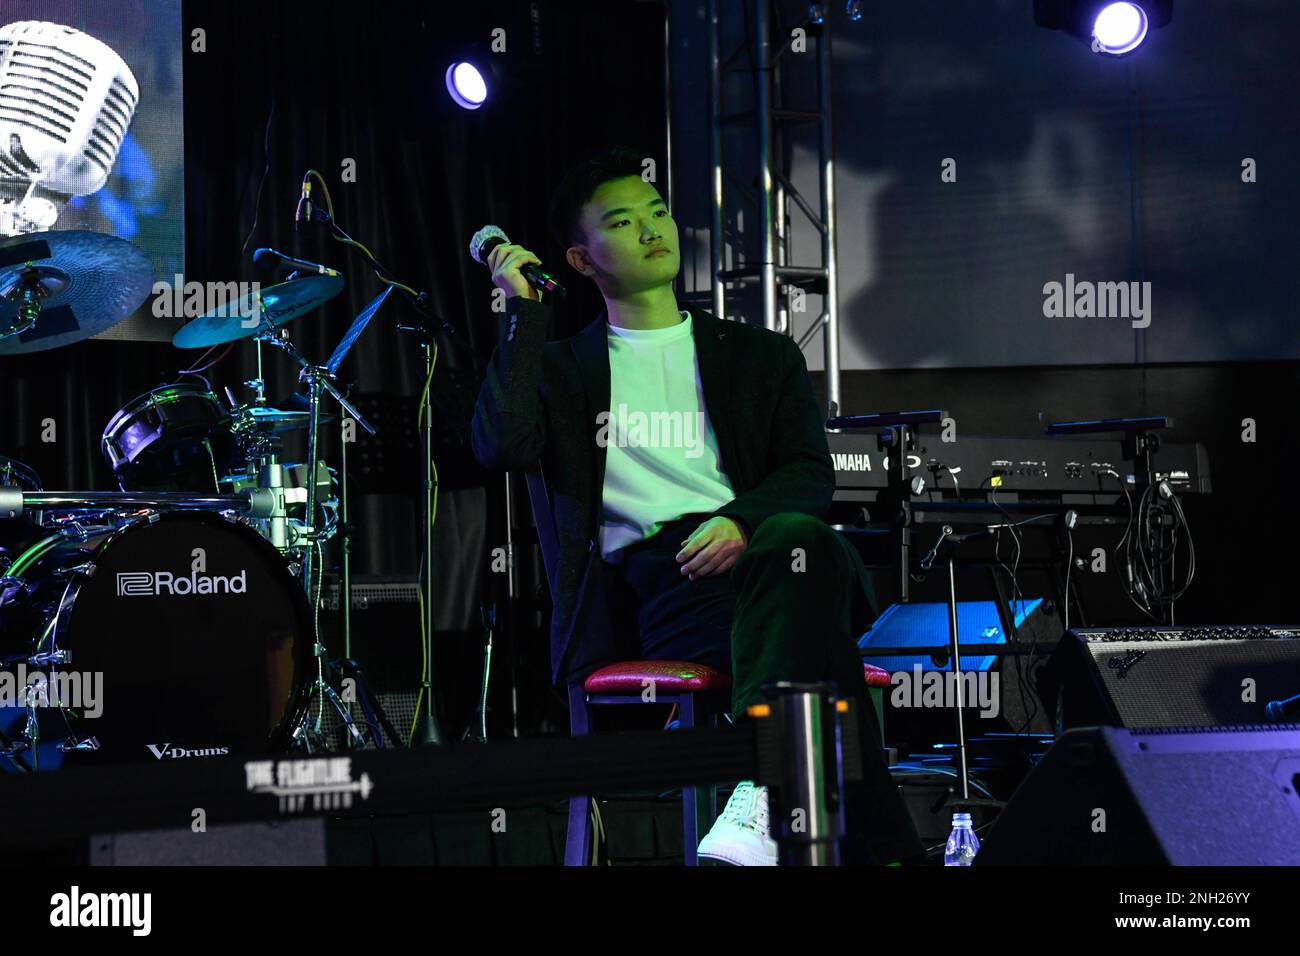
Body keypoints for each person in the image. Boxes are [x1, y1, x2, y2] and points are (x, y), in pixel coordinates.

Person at [471, 146, 921, 865]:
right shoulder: (560, 371)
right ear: (581, 262)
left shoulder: (760, 355)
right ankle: (866, 840)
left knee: (794, 541)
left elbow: (810, 471)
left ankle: (766, 787)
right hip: (662, 583)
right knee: (816, 632)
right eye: (622, 222)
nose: (653, 229)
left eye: (658, 212)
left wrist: (741, 520)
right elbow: (500, 447)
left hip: (763, 553)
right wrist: (523, 314)